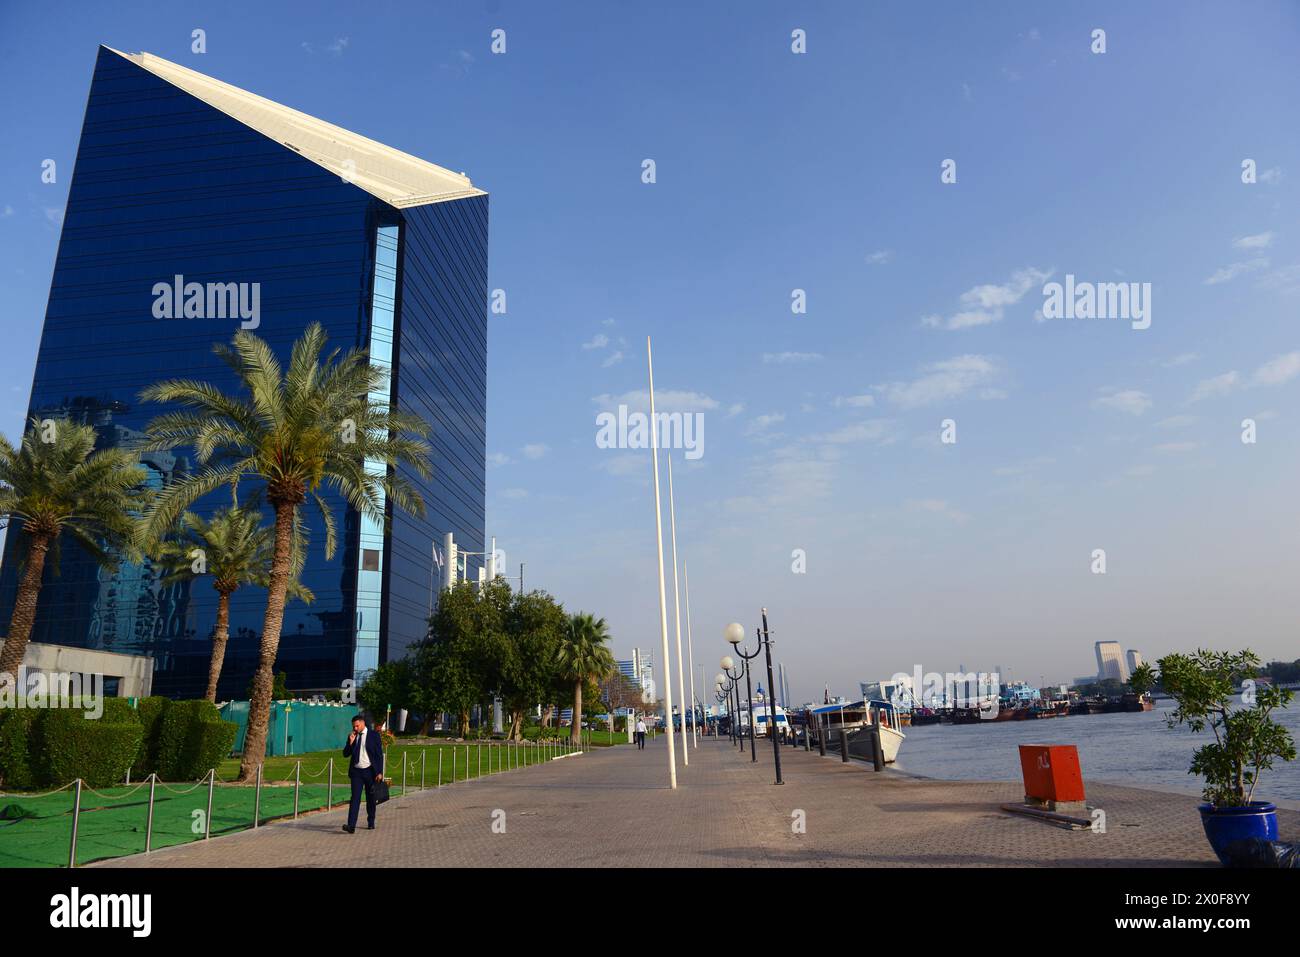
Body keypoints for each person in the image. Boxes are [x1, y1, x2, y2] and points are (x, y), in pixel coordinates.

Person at [341, 714, 385, 833]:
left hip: (370, 772)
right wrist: (350, 743)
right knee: (355, 798)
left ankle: (371, 821)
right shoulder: (352, 736)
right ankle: (351, 826)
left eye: (357, 726)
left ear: (362, 723)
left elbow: (379, 755)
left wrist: (380, 772)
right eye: (353, 726)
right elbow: (345, 754)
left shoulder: (374, 735)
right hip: (356, 772)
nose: (355, 728)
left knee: (371, 798)